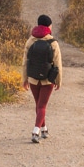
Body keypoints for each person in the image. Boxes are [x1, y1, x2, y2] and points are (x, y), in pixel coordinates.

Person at [21, 14, 62, 143]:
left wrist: (25, 79)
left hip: (33, 79)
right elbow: (58, 64)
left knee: (39, 105)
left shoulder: (30, 41)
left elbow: (25, 62)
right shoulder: (53, 42)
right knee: (42, 106)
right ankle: (35, 131)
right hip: (47, 79)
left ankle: (44, 129)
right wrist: (58, 81)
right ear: (49, 26)